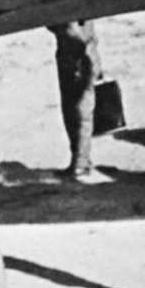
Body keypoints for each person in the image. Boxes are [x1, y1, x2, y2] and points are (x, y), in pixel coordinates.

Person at [49, 20, 102, 179]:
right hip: (78, 50)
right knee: (75, 107)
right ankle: (81, 160)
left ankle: (81, 163)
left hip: (77, 53)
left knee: (78, 108)